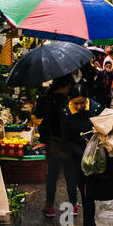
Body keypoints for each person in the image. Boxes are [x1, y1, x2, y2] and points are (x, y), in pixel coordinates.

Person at [61, 82, 102, 226]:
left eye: (82, 102)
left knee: (88, 196)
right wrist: (81, 155)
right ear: (69, 100)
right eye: (75, 103)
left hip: (95, 160)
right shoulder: (65, 113)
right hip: (76, 160)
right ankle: (90, 224)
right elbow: (65, 140)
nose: (79, 106)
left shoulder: (96, 109)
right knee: (83, 192)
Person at [35, 75, 77, 217]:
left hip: (52, 142)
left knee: (52, 176)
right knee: (70, 176)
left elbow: (38, 115)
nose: (69, 88)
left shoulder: (44, 99)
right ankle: (73, 206)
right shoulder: (68, 103)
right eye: (68, 86)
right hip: (68, 143)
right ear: (63, 86)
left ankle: (50, 207)